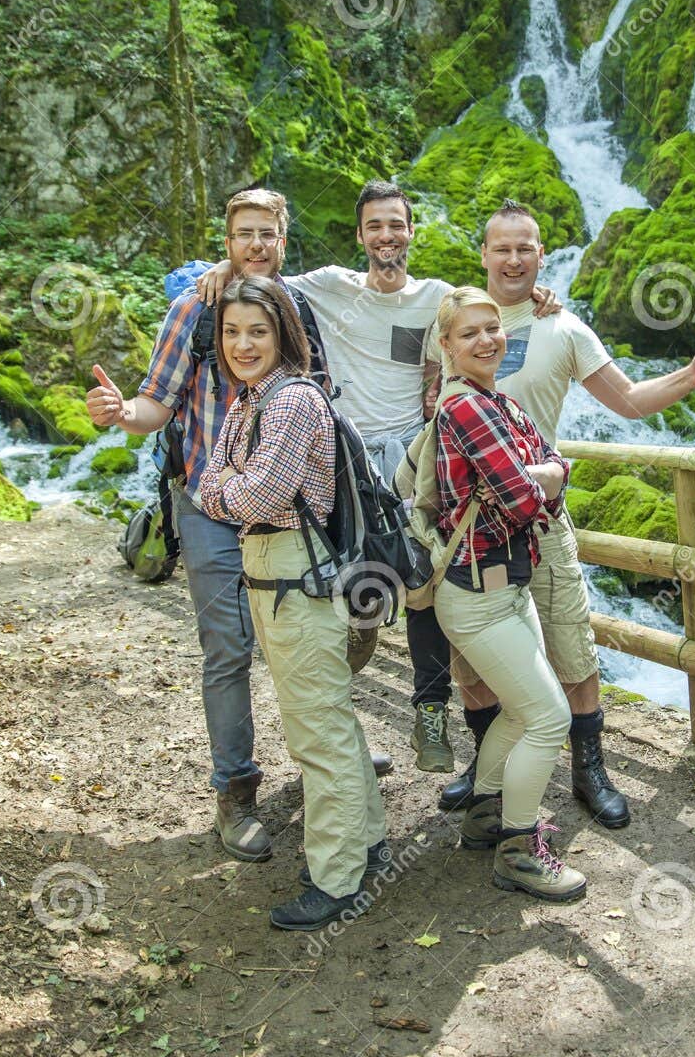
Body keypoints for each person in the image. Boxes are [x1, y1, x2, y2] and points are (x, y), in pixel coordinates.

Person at [195, 180, 561, 777]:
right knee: (351, 597)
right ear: (361, 234)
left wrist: (538, 298)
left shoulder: (437, 297)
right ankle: (334, 733)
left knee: (422, 580)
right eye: (375, 226)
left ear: (411, 230)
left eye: (397, 224)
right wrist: (219, 265)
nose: (387, 235)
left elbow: (490, 310)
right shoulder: (329, 286)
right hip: (345, 465)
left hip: (412, 461)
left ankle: (427, 709)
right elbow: (261, 268)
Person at [439, 200, 695, 829]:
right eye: (502, 248)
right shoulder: (452, 322)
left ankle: (588, 768)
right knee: (476, 662)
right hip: (468, 535)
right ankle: (489, 774)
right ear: (483, 254)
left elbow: (627, 400)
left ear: (541, 254)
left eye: (525, 247)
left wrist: (687, 376)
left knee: (572, 644)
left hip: (540, 522)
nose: (513, 259)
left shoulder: (564, 327)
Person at [85, 185, 349, 868]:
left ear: (283, 240)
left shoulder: (296, 311)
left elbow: (319, 399)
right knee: (229, 649)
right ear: (227, 240)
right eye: (244, 233)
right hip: (206, 508)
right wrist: (120, 414)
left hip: (290, 513)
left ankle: (327, 749)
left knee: (313, 635)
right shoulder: (193, 310)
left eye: (268, 233)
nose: (256, 244)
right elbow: (155, 404)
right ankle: (236, 791)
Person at [198, 276, 387, 932]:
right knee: (325, 717)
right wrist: (228, 488)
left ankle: (338, 878)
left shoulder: (290, 402)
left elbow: (247, 498)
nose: (242, 344)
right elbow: (208, 486)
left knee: (317, 728)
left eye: (257, 330)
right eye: (230, 332)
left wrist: (227, 488)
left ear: (282, 332)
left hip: (296, 576)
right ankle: (365, 841)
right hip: (276, 574)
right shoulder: (247, 402)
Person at [431, 286, 585, 903]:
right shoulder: (466, 409)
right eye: (469, 333)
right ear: (446, 346)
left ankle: (487, 815)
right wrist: (545, 476)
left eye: (492, 328)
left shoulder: (500, 402)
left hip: (507, 584)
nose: (486, 340)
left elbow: (550, 471)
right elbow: (529, 496)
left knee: (524, 711)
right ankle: (519, 849)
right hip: (477, 593)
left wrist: (546, 475)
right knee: (548, 717)